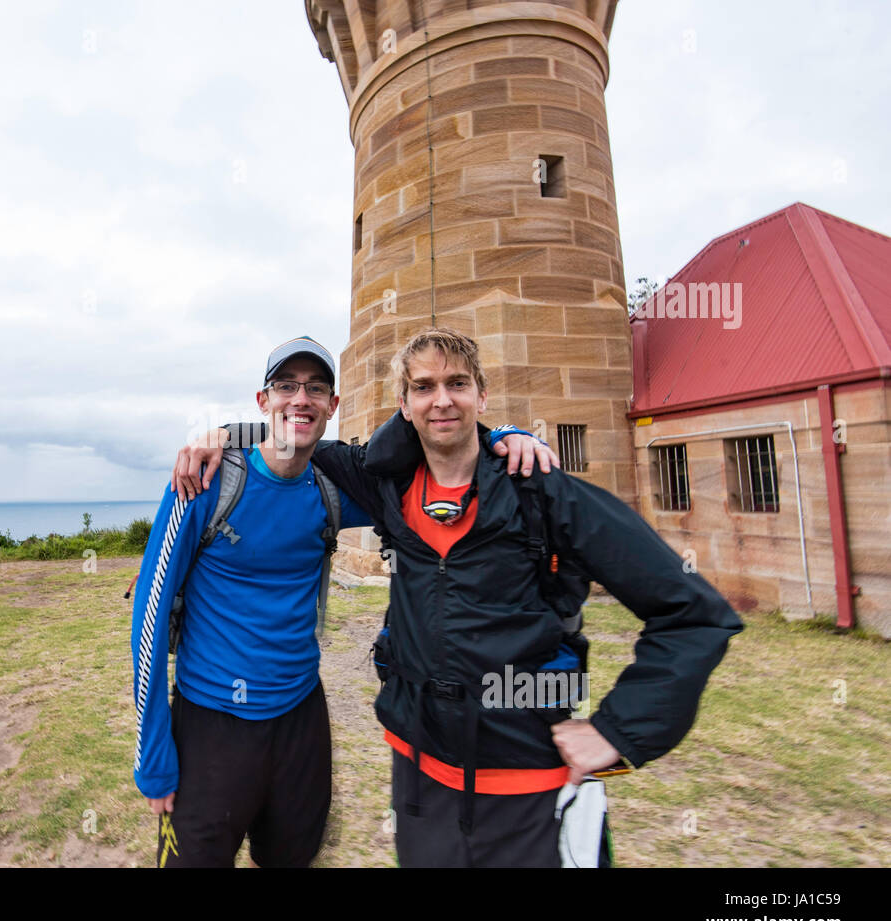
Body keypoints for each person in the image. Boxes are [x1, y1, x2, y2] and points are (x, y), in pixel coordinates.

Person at [177, 327, 744, 867]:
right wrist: (223, 433)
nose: (441, 401)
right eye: (423, 387)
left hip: (530, 786)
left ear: (482, 394)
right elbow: (295, 431)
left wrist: (616, 733)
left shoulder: (544, 493)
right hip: (421, 783)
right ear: (404, 404)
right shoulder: (385, 484)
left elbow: (694, 614)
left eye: (456, 384)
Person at [131, 335, 550, 867]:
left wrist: (506, 437)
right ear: (263, 401)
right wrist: (154, 757)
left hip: (301, 718)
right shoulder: (206, 481)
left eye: (316, 389)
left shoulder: (333, 489)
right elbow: (148, 616)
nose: (299, 398)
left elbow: (437, 445)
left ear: (333, 405)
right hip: (210, 721)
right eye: (285, 386)